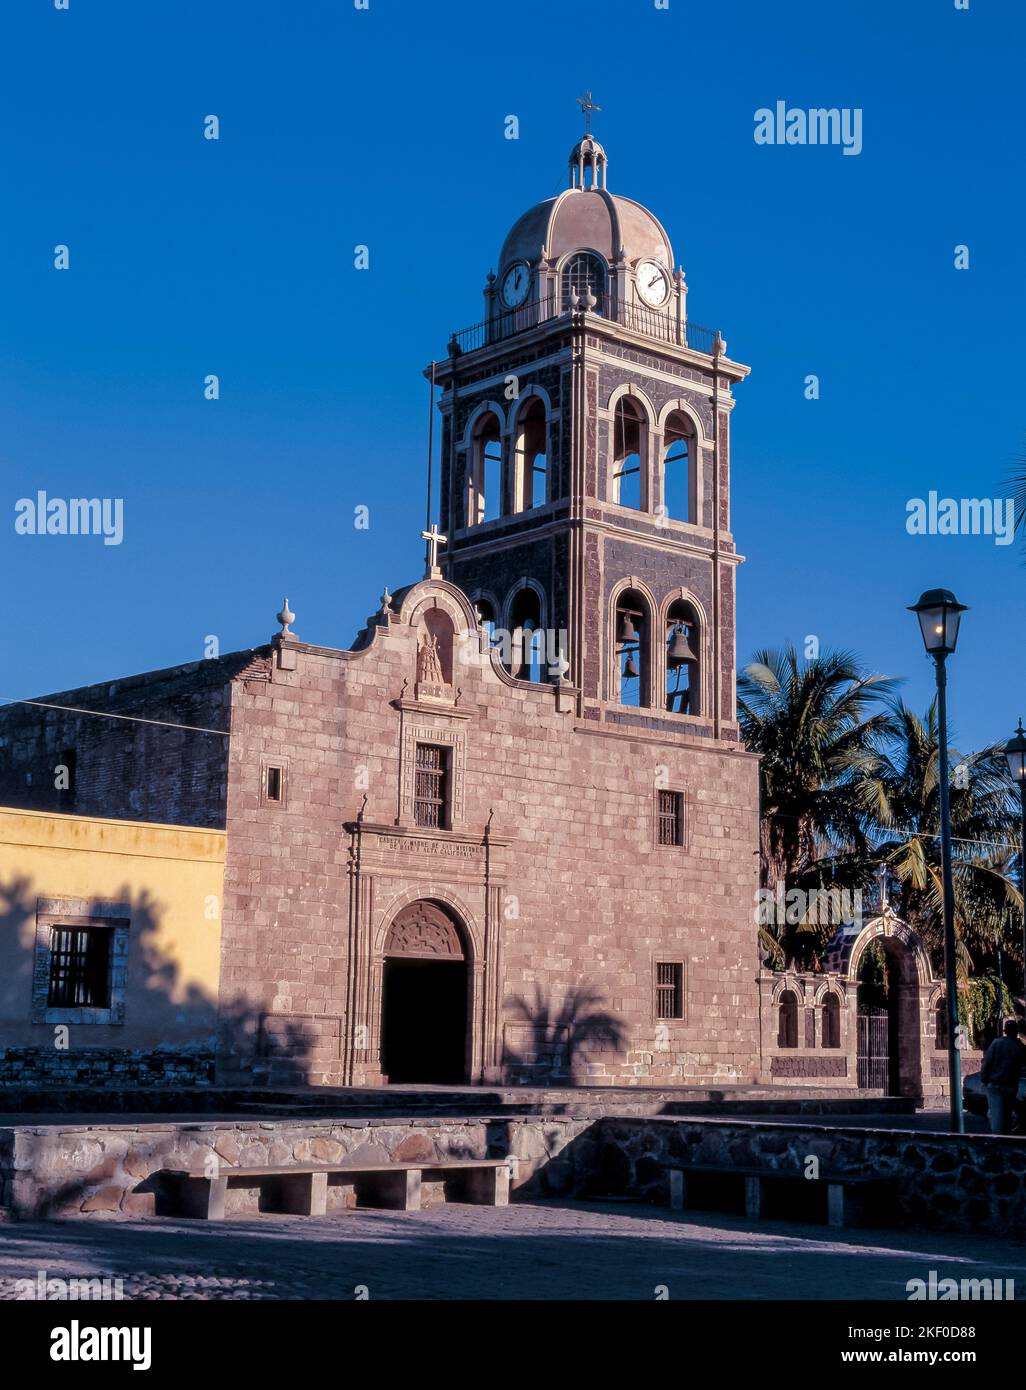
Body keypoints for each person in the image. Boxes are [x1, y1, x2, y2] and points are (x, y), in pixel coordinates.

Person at [979, 1019, 1026, 1135]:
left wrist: (984, 1079)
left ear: (1006, 1031)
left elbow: (987, 1063)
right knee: (1007, 1115)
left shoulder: (997, 1043)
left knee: (997, 1115)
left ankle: (998, 1139)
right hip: (1010, 1086)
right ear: (1016, 1032)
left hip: (995, 1085)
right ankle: (1006, 1137)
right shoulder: (1019, 1047)